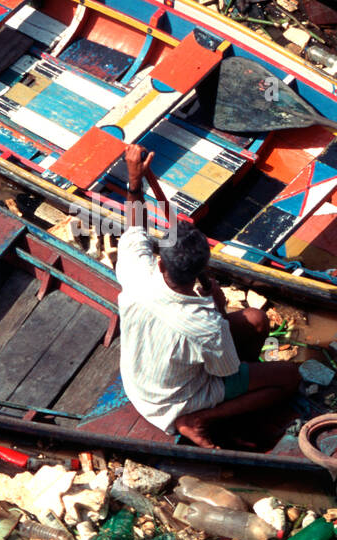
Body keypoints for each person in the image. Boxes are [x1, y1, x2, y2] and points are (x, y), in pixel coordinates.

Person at [115, 144, 301, 449]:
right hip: (174, 403)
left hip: (139, 384)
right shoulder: (206, 324)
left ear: (160, 262)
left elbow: (135, 227)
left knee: (255, 320)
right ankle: (200, 420)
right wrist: (217, 306)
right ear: (203, 269)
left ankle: (240, 397)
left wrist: (134, 182)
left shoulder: (139, 274)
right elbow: (225, 369)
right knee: (290, 377)